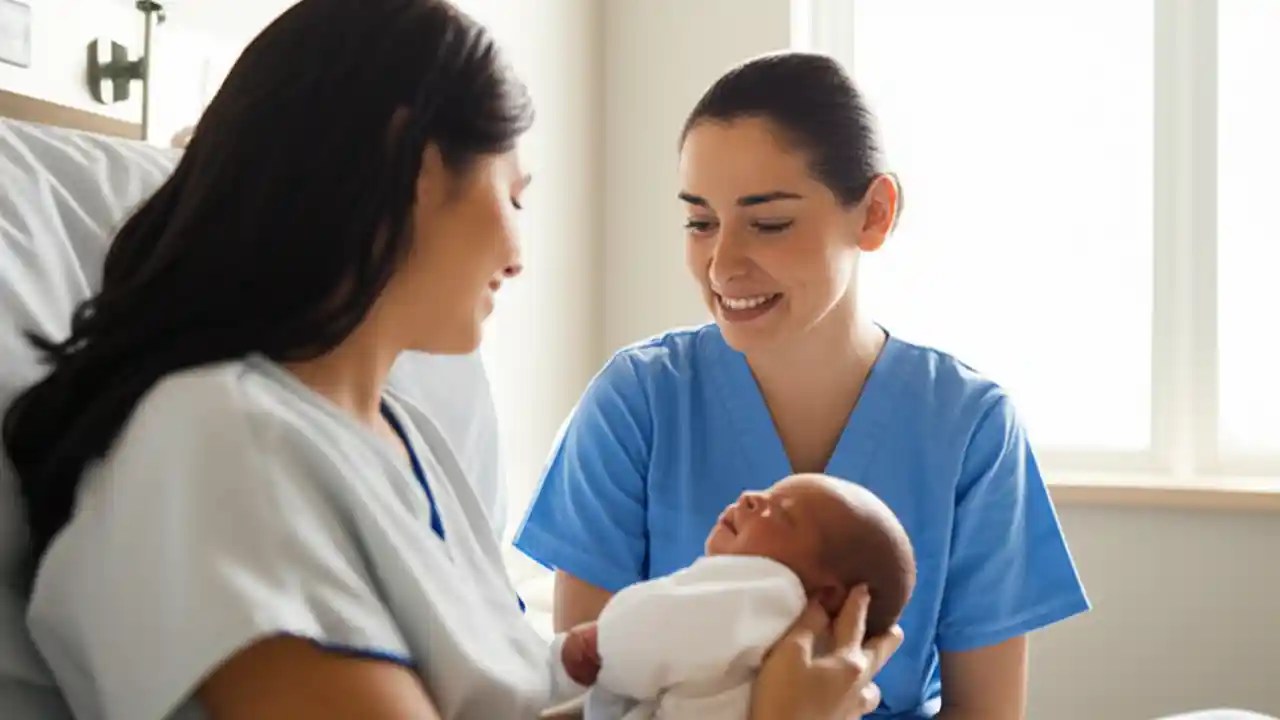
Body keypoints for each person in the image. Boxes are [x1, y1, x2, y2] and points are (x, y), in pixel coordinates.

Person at [0, 2, 895, 718]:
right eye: (512, 193)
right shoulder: (213, 441)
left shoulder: (402, 436)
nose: (519, 252)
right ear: (411, 165)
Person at [515, 51, 1090, 719]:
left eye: (769, 223)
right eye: (701, 223)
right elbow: (588, 693)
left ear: (874, 213)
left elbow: (986, 713)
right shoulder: (635, 403)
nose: (722, 265)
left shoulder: (970, 427)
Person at [577, 473, 916, 720]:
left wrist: (600, 644)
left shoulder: (769, 588)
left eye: (783, 512)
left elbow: (645, 634)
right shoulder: (820, 661)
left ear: (826, 596)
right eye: (767, 491)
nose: (750, 495)